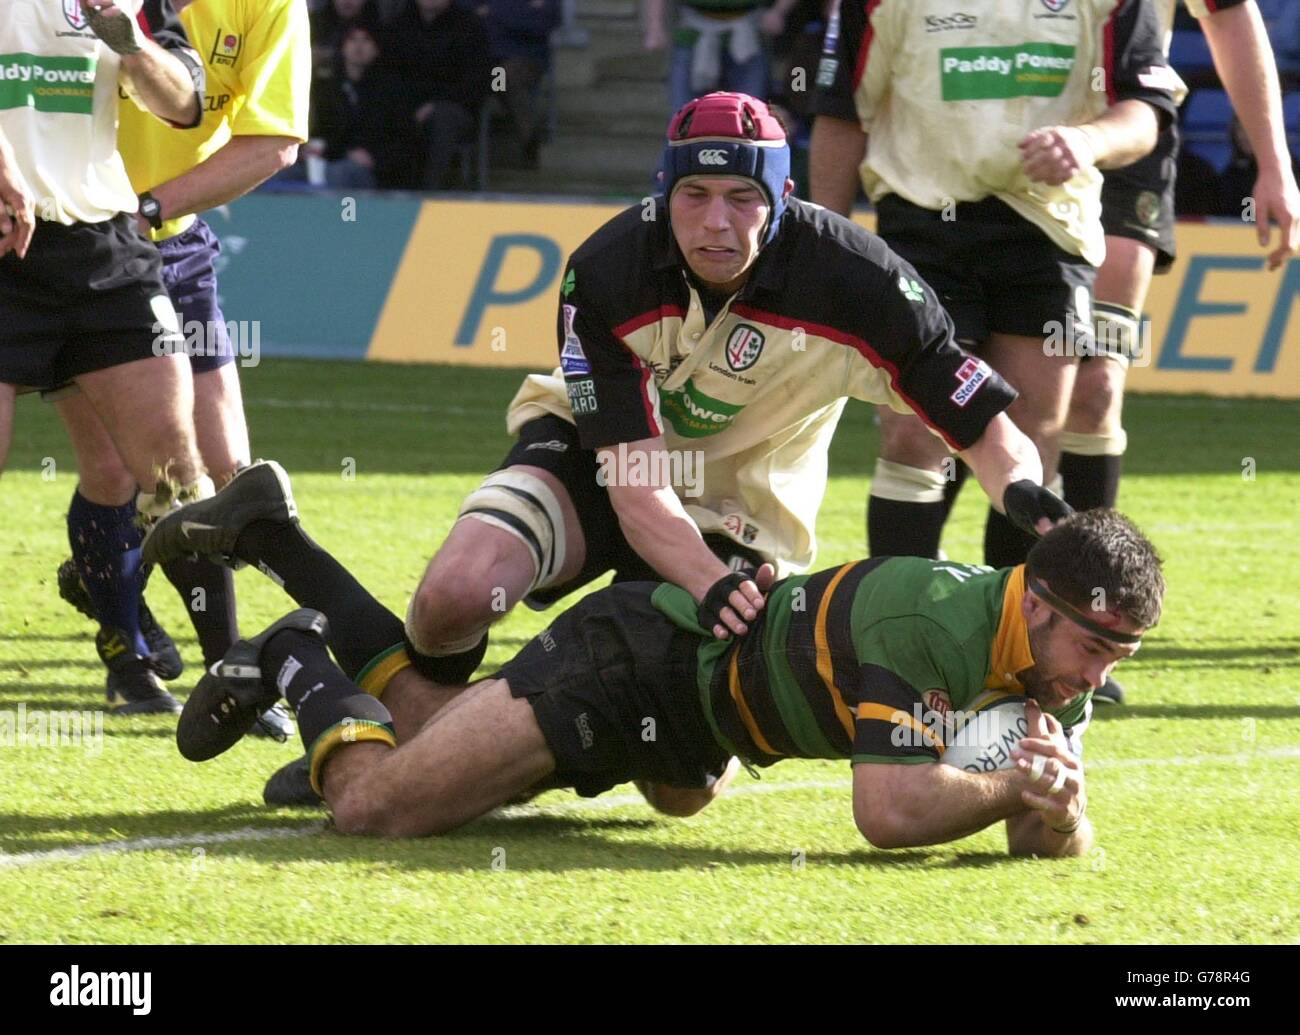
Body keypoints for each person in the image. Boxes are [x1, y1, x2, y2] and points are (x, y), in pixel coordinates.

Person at [145, 461, 1165, 854]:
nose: (1097, 676)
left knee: (425, 728)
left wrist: (1060, 806)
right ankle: (290, 656)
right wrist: (1009, 794)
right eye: (1094, 646)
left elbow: (1041, 843)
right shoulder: (931, 622)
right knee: (376, 808)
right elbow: (888, 815)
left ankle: (277, 543)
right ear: (1033, 602)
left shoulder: (1049, 660)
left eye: (1115, 655)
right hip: (629, 661)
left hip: (688, 723)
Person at [810, 1, 1176, 573]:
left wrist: (1087, 142)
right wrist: (825, 245)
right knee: (913, 432)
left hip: (1049, 231)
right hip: (922, 224)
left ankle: (1015, 642)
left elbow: (1146, 111)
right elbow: (841, 113)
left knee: (1032, 439)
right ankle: (897, 629)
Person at [48, 0, 311, 728]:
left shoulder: (270, 7)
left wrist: (150, 208)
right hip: (78, 237)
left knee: (227, 472)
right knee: (117, 471)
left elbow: (274, 143)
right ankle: (127, 649)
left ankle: (123, 591)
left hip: (169, 235)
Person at [1058, 0, 1299, 703]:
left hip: (1130, 137)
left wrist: (1273, 166)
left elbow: (1229, 16)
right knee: (1002, 397)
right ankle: (984, 615)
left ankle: (1085, 618)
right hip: (1009, 145)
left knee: (1097, 384)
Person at [0, 0, 213, 714]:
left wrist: (130, 43)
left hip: (102, 247)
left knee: (170, 472)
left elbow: (185, 103)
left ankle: (221, 668)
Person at [385, 0, 492, 189]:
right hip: (406, 104)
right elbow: (389, 75)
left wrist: (436, 103)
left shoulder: (470, 26)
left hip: (455, 106)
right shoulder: (398, 25)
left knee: (442, 118)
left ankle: (431, 190)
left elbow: (478, 80)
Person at [308, 24, 419, 188]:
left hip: (372, 169)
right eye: (352, 39)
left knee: (341, 172)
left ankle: (344, 215)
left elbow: (403, 140)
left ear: (376, 49)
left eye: (366, 40)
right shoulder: (326, 88)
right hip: (325, 158)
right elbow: (320, 132)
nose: (358, 46)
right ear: (343, 47)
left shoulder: (392, 91)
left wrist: (374, 158)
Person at [473, 0, 563, 169]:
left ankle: (527, 136)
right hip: (482, 59)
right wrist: (517, 12)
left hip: (522, 59)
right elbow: (465, 13)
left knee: (502, 77)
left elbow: (543, 22)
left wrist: (493, 11)